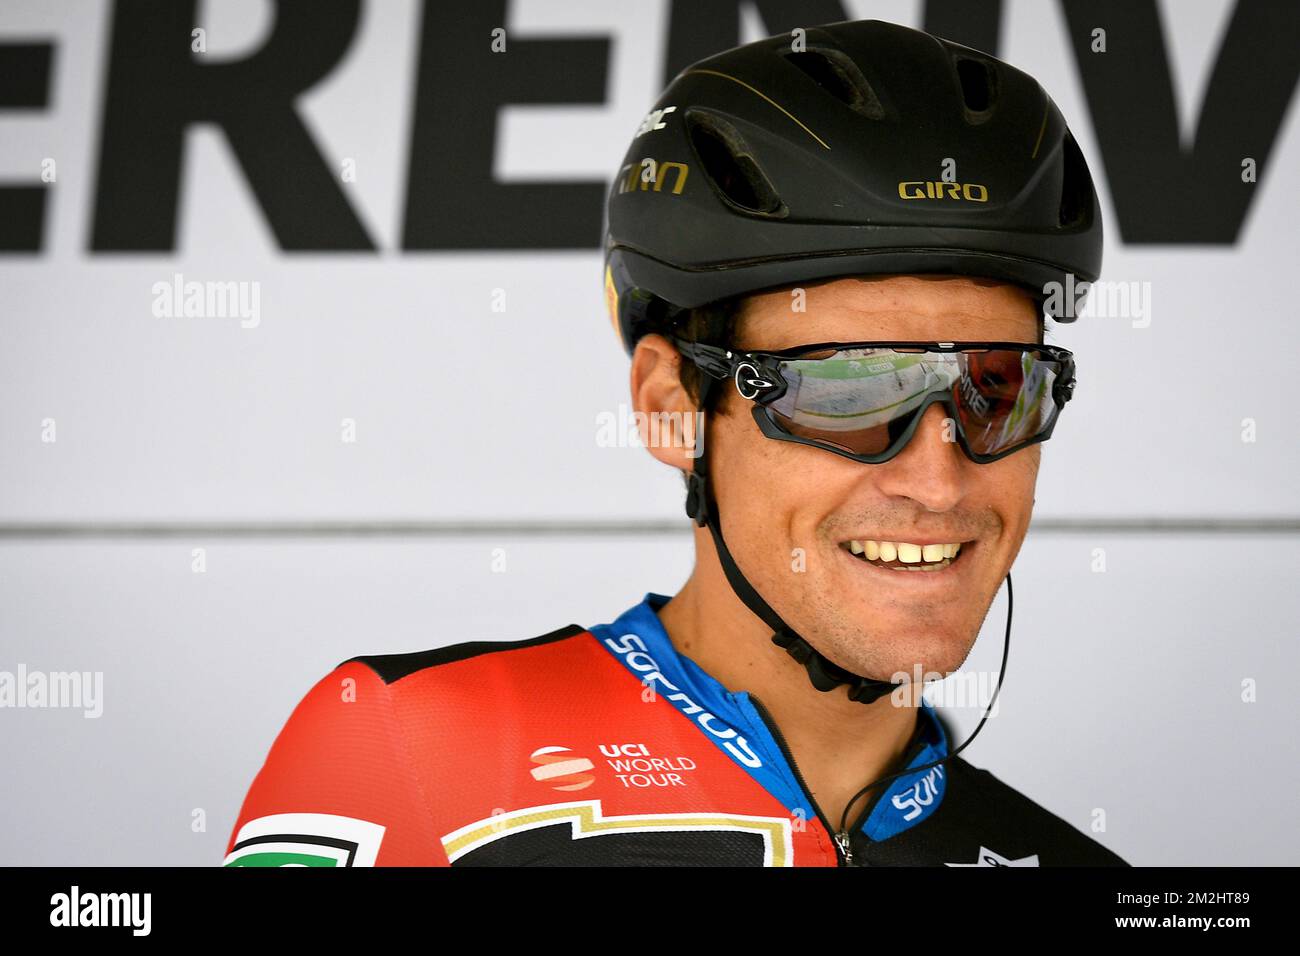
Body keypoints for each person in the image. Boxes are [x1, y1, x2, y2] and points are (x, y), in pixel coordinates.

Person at [224, 18, 1127, 867]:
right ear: (672, 406)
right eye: (850, 389)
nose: (938, 481)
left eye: (998, 390)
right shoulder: (410, 750)